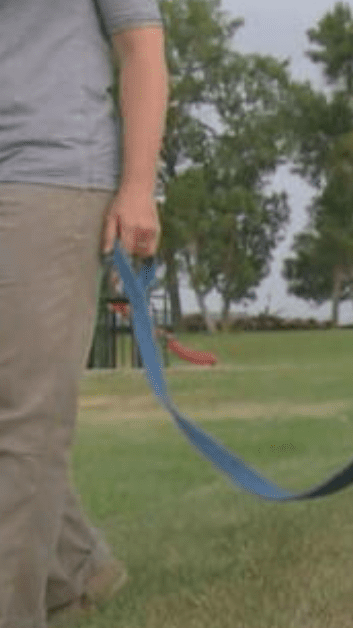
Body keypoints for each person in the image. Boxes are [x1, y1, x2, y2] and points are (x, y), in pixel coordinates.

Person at [0, 0, 168, 625]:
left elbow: (140, 44)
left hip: (50, 171)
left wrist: (136, 185)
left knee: (24, 419)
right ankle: (74, 564)